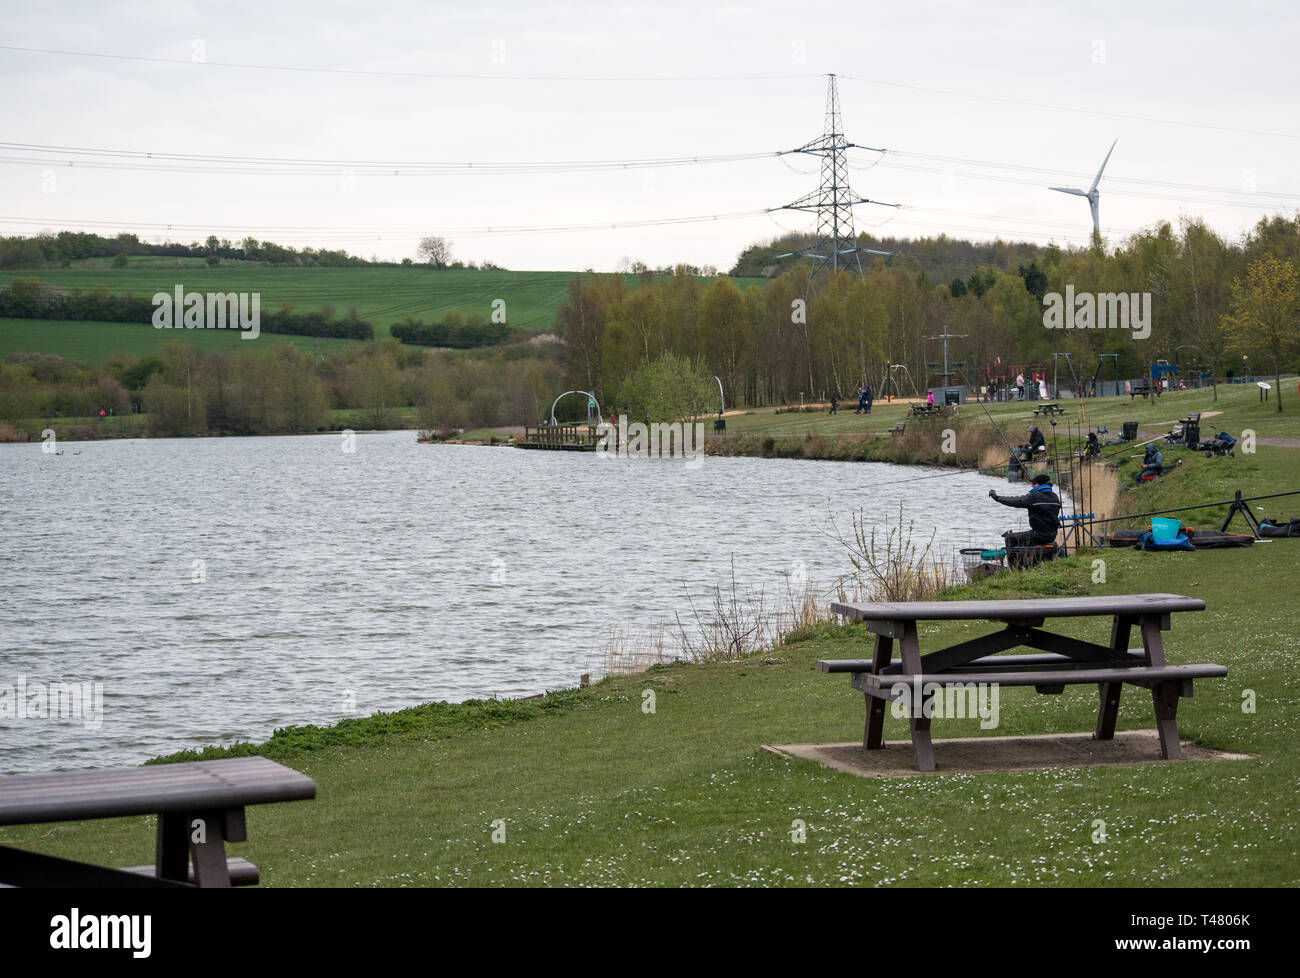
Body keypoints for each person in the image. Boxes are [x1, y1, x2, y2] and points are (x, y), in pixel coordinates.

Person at [989, 474, 1062, 551]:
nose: (1032, 486)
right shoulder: (1055, 496)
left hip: (1039, 535)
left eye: (1034, 483)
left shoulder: (1034, 496)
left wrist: (997, 498)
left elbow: (1015, 501)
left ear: (1040, 484)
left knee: (1009, 538)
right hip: (1052, 535)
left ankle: (1014, 562)